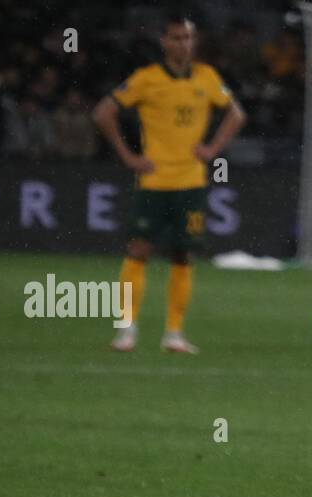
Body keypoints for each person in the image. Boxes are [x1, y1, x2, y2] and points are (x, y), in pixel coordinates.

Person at [92, 14, 245, 355]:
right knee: (138, 251)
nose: (183, 44)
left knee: (182, 255)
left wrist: (212, 149)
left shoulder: (207, 77)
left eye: (188, 38)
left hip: (190, 182)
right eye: (176, 38)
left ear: (195, 42)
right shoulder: (146, 79)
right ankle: (126, 329)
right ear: (164, 42)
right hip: (154, 181)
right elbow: (103, 112)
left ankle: (173, 334)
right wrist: (128, 157)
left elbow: (236, 113)